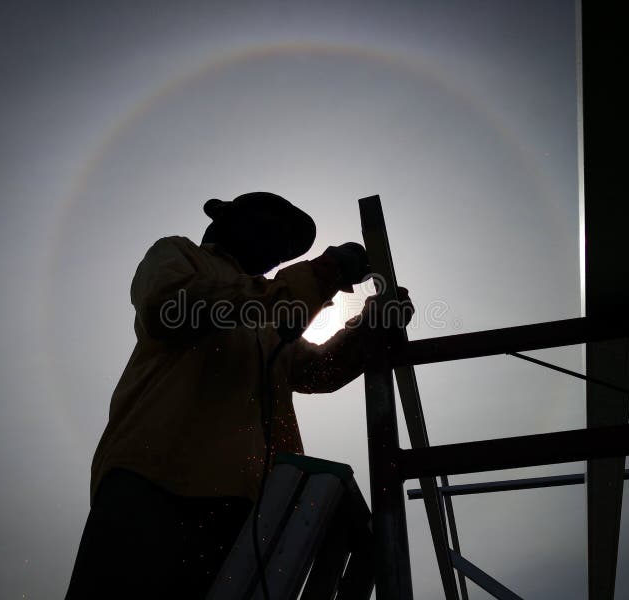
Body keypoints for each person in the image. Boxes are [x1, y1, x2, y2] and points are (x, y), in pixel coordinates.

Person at [65, 192, 411, 598]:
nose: (278, 249)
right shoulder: (180, 255)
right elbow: (169, 304)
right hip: (156, 477)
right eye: (272, 230)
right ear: (226, 219)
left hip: (245, 501)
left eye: (285, 245)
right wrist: (321, 274)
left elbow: (316, 371)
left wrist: (371, 325)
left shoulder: (267, 312)